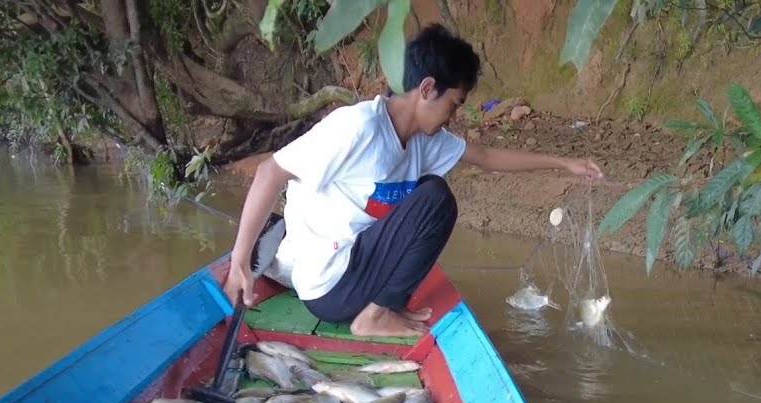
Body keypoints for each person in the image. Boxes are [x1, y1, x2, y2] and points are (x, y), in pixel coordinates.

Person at [222, 23, 603, 338]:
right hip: (330, 288)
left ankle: (376, 308)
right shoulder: (358, 128)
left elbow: (485, 157)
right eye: (453, 103)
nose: (454, 115)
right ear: (426, 89)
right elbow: (272, 171)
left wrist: (563, 163)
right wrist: (240, 261)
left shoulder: (424, 141)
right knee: (436, 199)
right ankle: (373, 316)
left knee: (429, 193)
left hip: (358, 270)